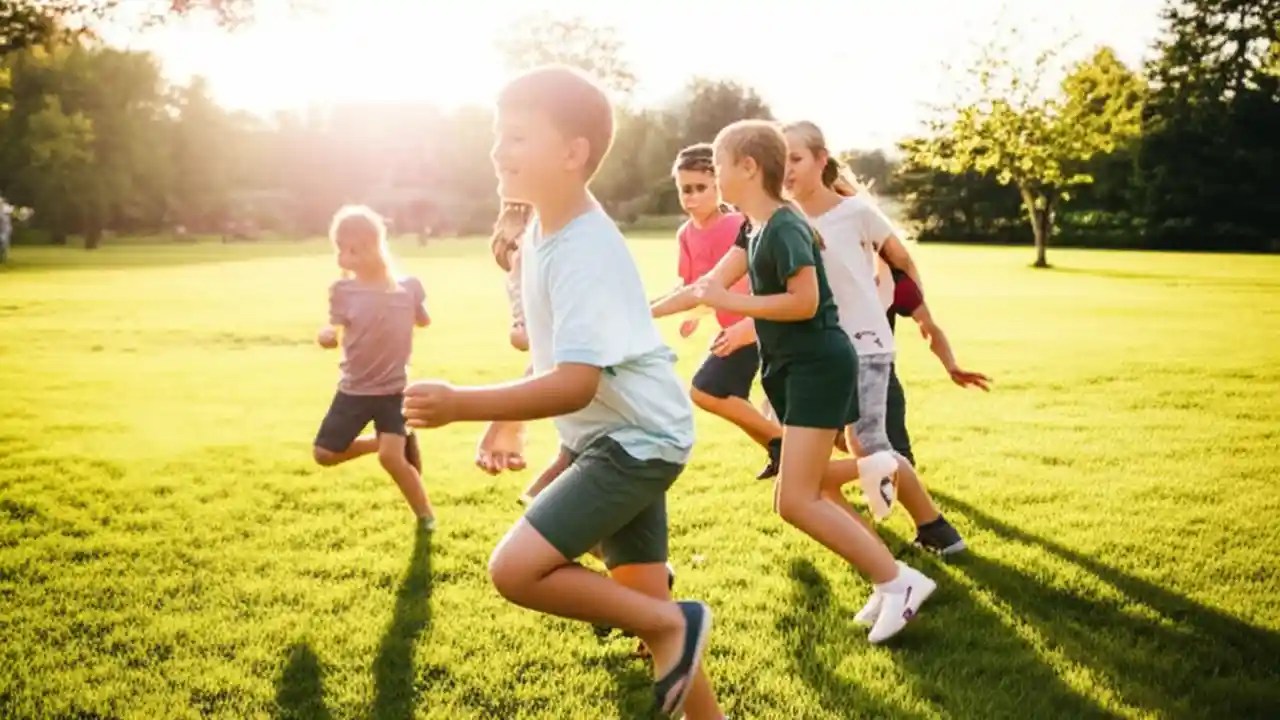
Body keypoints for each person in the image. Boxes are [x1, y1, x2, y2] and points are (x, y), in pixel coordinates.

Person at [402, 66, 721, 720]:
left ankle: (674, 627)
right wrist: (512, 422)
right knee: (645, 600)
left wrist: (464, 404)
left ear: (573, 154)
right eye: (499, 135)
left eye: (517, 137)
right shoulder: (548, 232)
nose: (497, 150)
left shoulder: (582, 249)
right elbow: (563, 359)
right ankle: (679, 650)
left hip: (635, 443)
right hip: (620, 436)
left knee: (515, 570)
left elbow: (576, 383)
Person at [651, 119, 935, 643]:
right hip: (793, 369)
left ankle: (899, 581)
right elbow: (703, 287)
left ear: (748, 168)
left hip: (818, 367)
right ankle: (888, 562)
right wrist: (641, 315)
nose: (712, 176)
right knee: (815, 487)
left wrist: (728, 302)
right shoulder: (755, 227)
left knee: (794, 500)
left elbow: (804, 302)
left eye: (717, 166)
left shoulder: (783, 225)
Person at [780, 120, 967, 555]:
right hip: (819, 351)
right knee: (834, 448)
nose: (786, 168)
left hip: (864, 343)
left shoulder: (856, 213)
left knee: (868, 442)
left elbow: (902, 262)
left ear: (820, 160)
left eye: (796, 157)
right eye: (780, 159)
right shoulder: (783, 219)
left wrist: (891, 304)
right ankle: (867, 526)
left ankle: (936, 529)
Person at [312, 205, 435, 532]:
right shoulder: (343, 291)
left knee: (391, 459)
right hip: (354, 390)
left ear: (374, 246)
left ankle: (426, 518)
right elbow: (333, 331)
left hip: (394, 390)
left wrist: (415, 312)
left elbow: (423, 319)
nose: (344, 257)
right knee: (324, 454)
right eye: (339, 249)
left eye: (351, 249)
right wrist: (326, 336)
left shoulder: (407, 287)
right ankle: (387, 440)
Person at [668, 143, 783, 479]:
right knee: (719, 391)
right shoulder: (686, 234)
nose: (691, 197)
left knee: (708, 388)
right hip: (732, 330)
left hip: (760, 327)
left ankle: (784, 445)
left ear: (718, 185)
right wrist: (692, 315)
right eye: (684, 189)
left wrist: (750, 324)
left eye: (700, 188)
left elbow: (763, 279)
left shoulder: (739, 224)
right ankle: (785, 449)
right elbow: (694, 285)